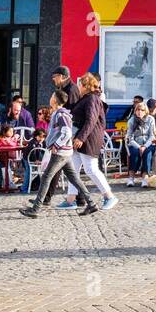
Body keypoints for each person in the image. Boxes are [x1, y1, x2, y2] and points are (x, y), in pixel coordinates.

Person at [19, 89, 97, 218]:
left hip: (61, 152)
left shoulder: (61, 115)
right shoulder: (58, 113)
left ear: (55, 100)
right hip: (65, 153)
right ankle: (91, 203)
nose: (50, 98)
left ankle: (36, 209)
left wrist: (56, 145)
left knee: (46, 177)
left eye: (51, 96)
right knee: (74, 178)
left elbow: (67, 132)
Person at [60, 73, 118, 211]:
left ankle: (109, 196)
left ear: (86, 86)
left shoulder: (92, 98)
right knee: (73, 169)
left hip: (88, 138)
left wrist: (81, 137)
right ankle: (70, 200)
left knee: (91, 168)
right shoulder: (87, 98)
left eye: (81, 84)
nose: (78, 86)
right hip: (82, 138)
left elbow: (91, 120)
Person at [124, 99, 156, 187]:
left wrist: (145, 146)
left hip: (148, 143)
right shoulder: (131, 120)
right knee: (134, 153)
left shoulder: (150, 119)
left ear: (145, 111)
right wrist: (139, 147)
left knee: (147, 153)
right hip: (135, 143)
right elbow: (130, 137)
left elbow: (152, 135)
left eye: (142, 110)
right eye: (138, 110)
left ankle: (145, 178)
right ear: (135, 111)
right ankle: (131, 177)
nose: (139, 112)